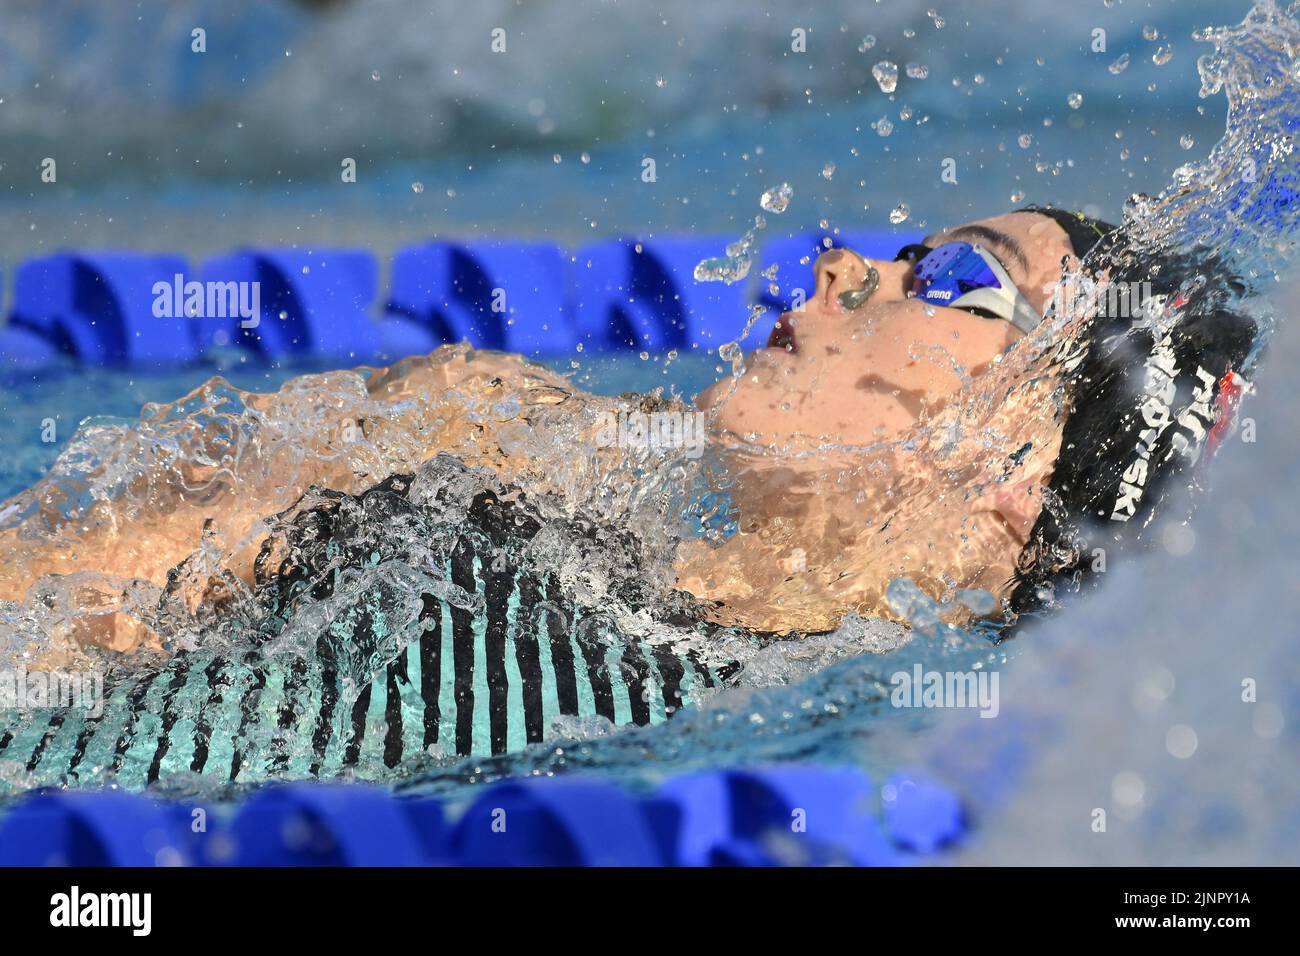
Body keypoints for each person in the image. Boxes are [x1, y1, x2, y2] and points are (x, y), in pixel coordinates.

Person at [0, 206, 1256, 777]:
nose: (840, 262)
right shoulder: (515, 476)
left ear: (1025, 477)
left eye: (957, 278)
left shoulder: (760, 742)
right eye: (907, 251)